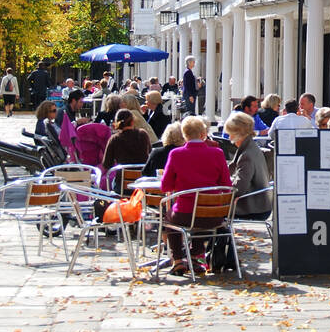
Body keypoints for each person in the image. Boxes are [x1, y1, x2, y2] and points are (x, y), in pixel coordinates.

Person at [159, 116, 232, 276]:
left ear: (184, 135)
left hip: (184, 213)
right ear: (203, 134)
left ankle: (178, 260)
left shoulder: (176, 154)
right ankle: (195, 257)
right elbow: (227, 185)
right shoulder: (217, 153)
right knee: (201, 211)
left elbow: (165, 186)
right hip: (213, 215)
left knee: (169, 219)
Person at [225, 112, 273, 219]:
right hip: (261, 203)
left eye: (230, 134)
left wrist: (221, 191)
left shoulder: (246, 155)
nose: (229, 138)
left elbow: (239, 188)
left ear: (238, 133)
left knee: (214, 213)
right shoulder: (251, 147)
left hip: (253, 207)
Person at [103, 109, 151, 178]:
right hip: (142, 181)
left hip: (122, 181)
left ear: (117, 122)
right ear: (132, 121)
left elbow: (107, 164)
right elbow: (149, 152)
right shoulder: (143, 134)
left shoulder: (114, 139)